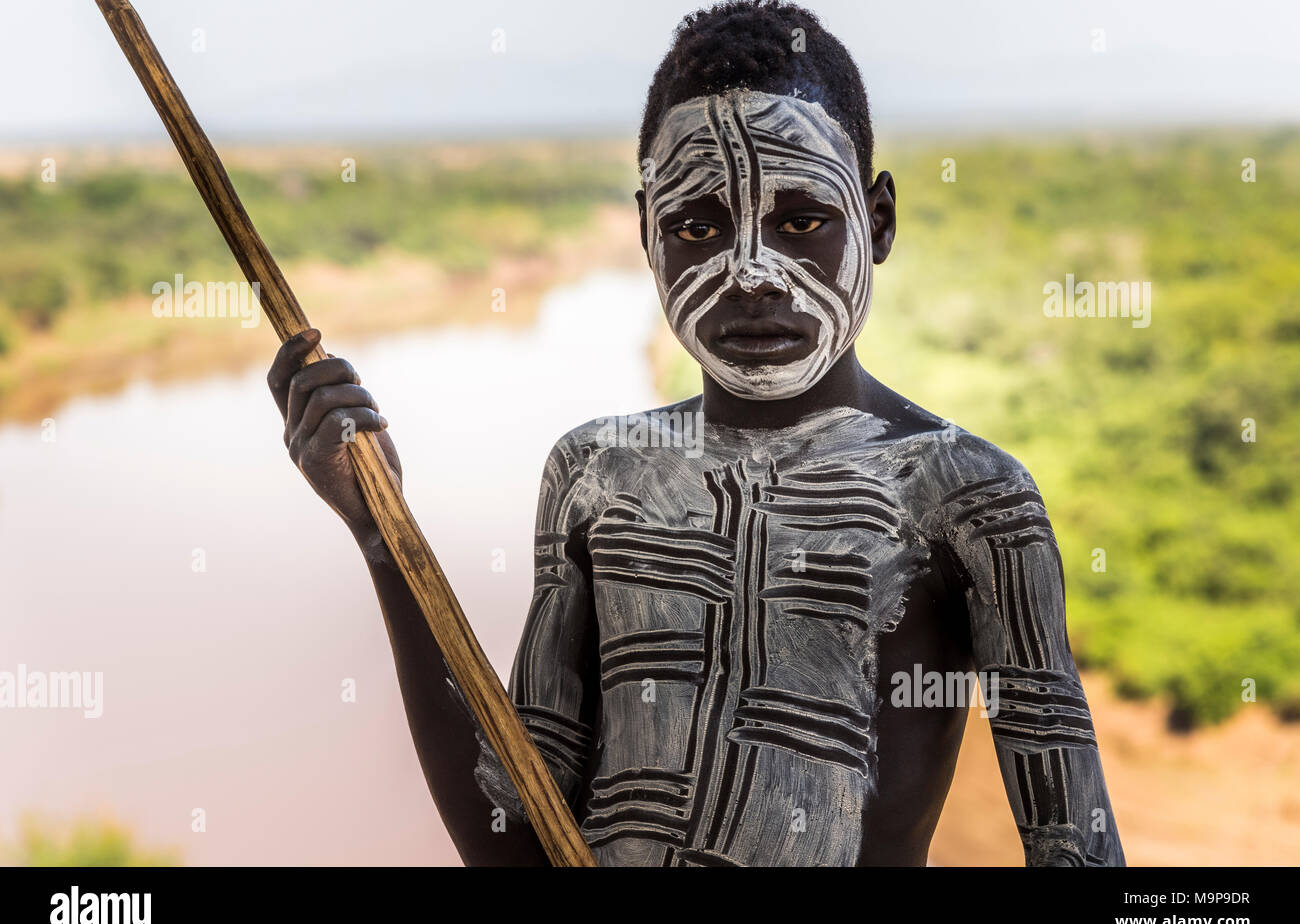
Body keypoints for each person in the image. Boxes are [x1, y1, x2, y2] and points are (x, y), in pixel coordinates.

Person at [266, 0, 1124, 866]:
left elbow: (1078, 851)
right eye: (697, 226)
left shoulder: (968, 498)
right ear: (647, 235)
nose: (751, 271)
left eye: (800, 221)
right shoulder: (595, 473)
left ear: (879, 220)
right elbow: (512, 837)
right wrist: (380, 530)